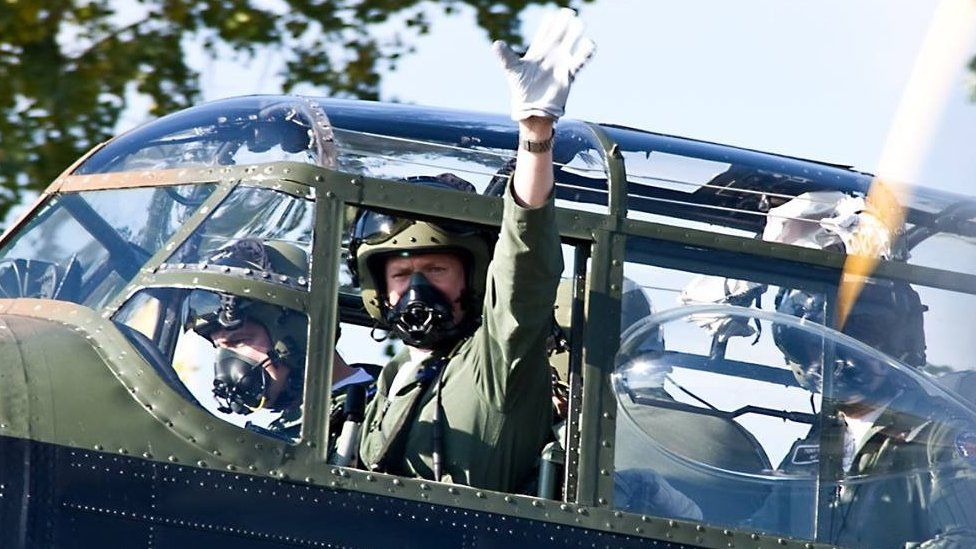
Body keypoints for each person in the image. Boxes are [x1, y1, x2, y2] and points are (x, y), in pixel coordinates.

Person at [349, 9, 595, 492]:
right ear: (380, 288)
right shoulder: (391, 382)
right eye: (402, 275)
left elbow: (524, 265)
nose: (417, 288)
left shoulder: (499, 361)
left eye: (436, 268)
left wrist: (536, 134)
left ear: (472, 278)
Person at [769, 279, 976, 547]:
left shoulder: (941, 437)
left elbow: (965, 539)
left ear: (892, 344)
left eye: (853, 339)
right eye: (813, 344)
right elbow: (762, 527)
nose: (831, 359)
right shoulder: (814, 446)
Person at [189, 238, 374, 450]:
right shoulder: (287, 431)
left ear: (298, 334)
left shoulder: (382, 414)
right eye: (219, 347)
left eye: (239, 342)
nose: (225, 366)